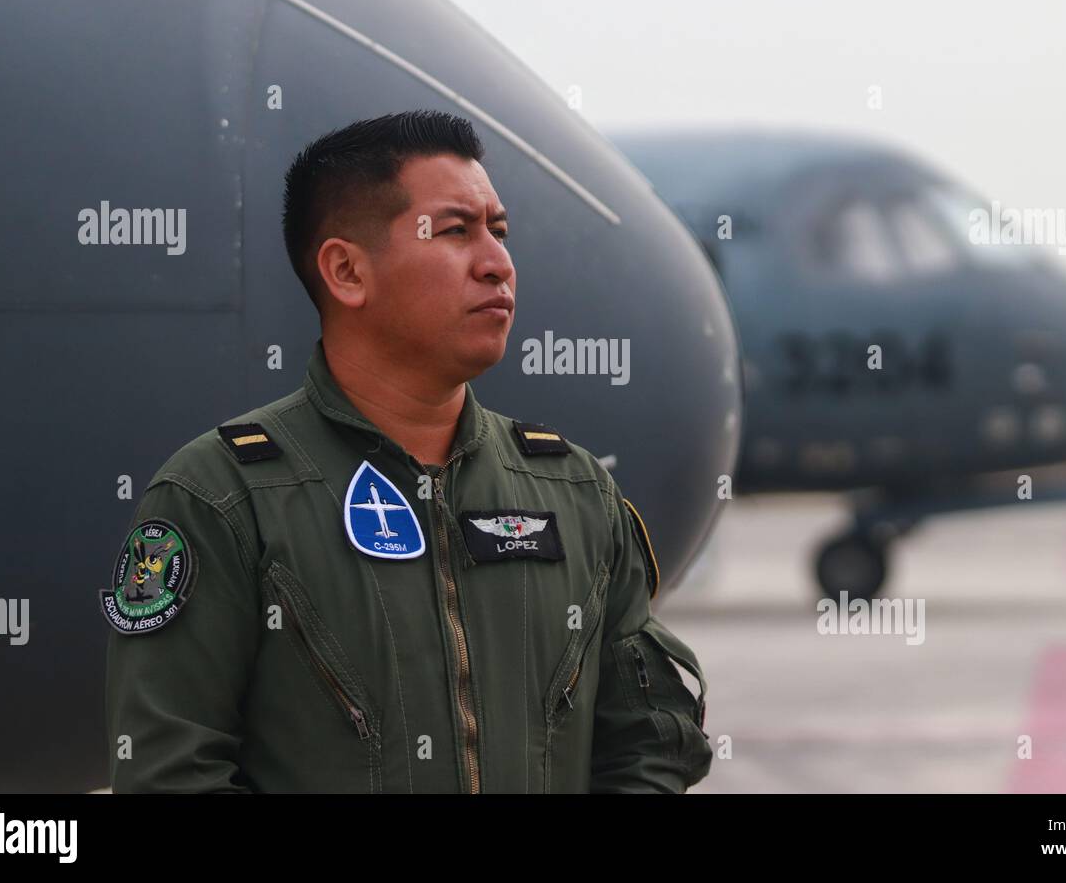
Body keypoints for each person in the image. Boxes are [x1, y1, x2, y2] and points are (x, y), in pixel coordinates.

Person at [101, 110, 713, 793]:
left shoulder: (570, 490)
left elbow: (651, 744)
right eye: (455, 231)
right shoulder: (222, 497)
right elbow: (172, 772)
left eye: (499, 231)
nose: (497, 263)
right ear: (346, 271)